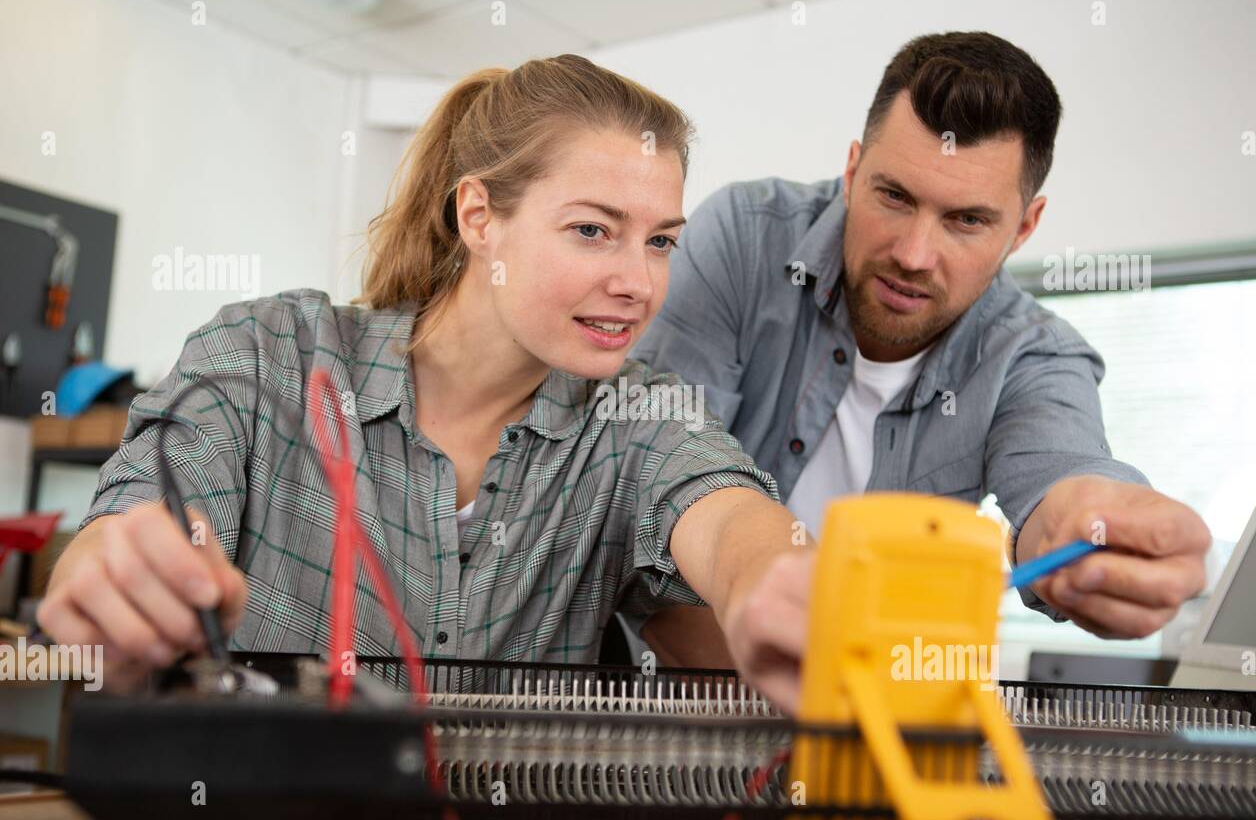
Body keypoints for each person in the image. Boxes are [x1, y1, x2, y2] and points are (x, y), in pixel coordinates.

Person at [36, 54, 811, 711]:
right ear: (479, 217)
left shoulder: (638, 415)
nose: (640, 282)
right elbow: (132, 525)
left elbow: (724, 509)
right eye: (592, 230)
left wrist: (772, 578)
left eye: (662, 242)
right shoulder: (267, 354)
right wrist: (118, 572)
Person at [632, 32, 1211, 665]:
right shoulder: (743, 239)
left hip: (872, 713)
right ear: (852, 172)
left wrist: (1096, 525)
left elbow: (1065, 479)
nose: (912, 255)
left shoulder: (1032, 356)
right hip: (683, 688)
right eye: (894, 196)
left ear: (1024, 227)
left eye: (967, 220)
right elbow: (649, 476)